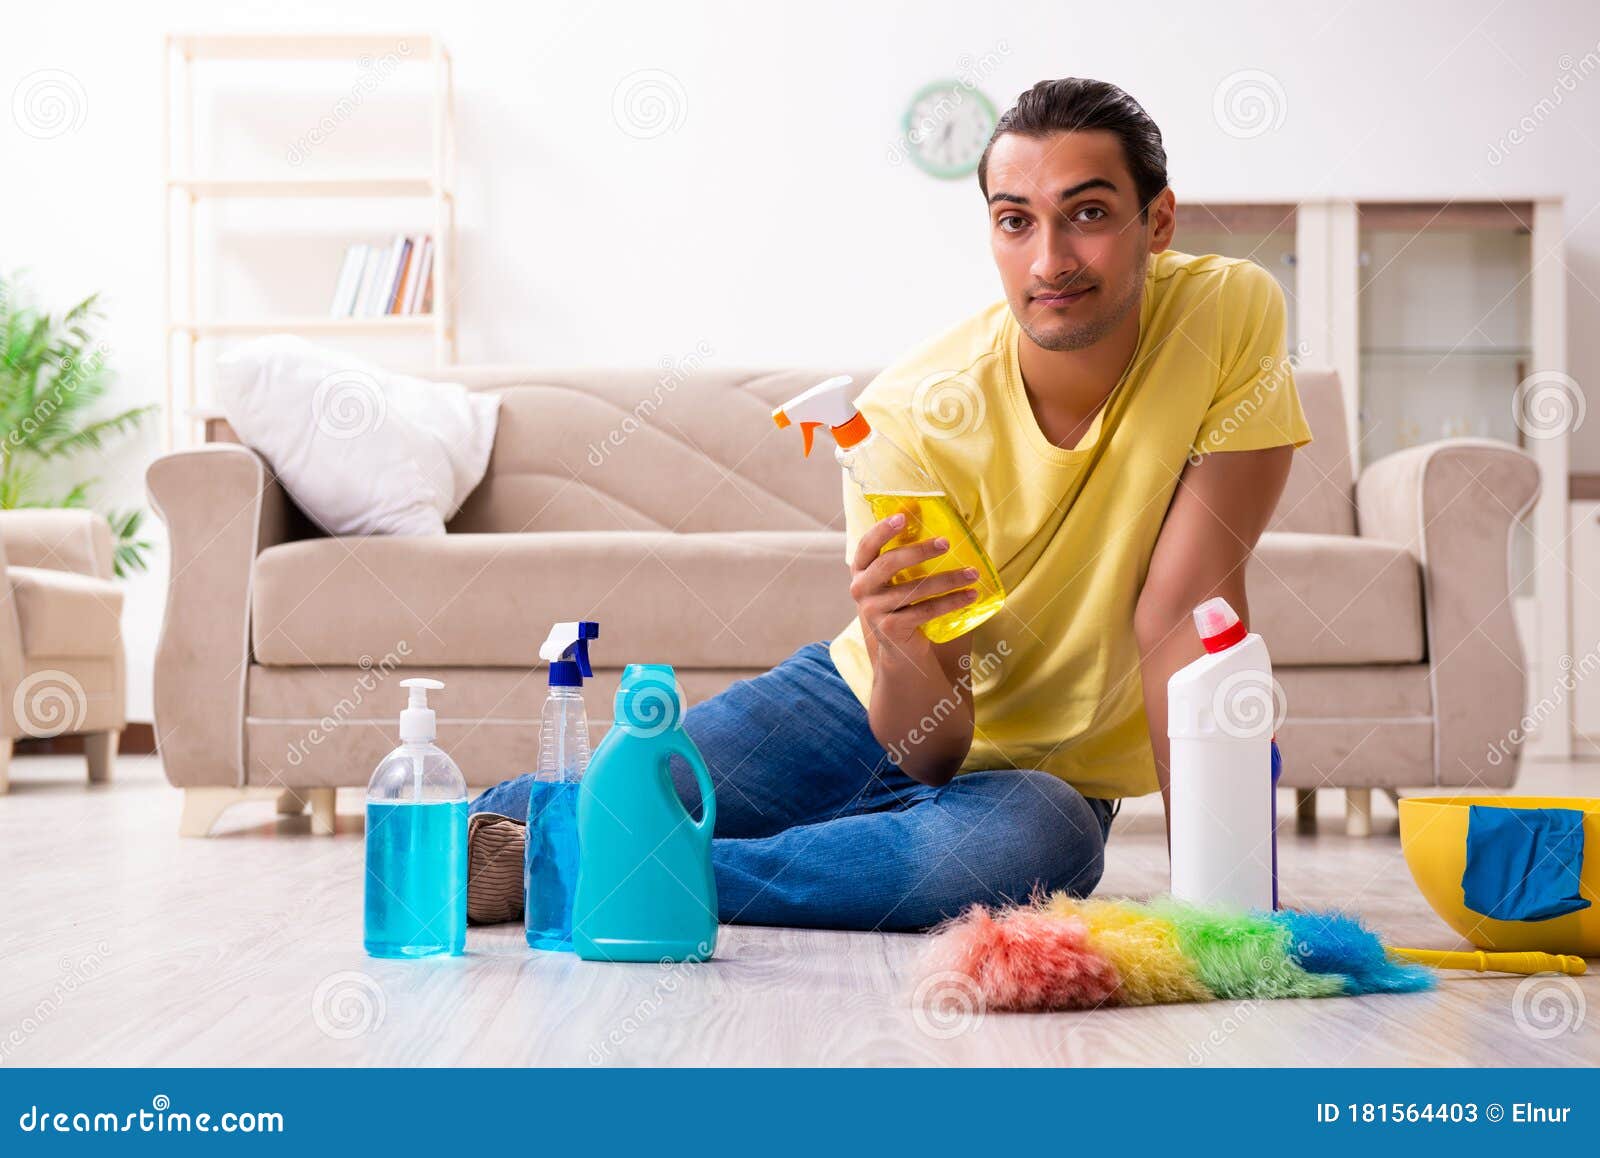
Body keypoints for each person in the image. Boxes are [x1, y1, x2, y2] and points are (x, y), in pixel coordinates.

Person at [469, 76, 1312, 932]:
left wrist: (1222, 902)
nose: (1049, 260)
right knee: (641, 788)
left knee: (1035, 849)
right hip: (855, 708)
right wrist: (902, 642)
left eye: (1088, 214)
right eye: (1015, 221)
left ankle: (608, 870)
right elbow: (929, 749)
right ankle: (529, 847)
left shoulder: (1229, 313)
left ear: (1158, 221)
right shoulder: (911, 414)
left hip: (1041, 783)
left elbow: (1186, 615)